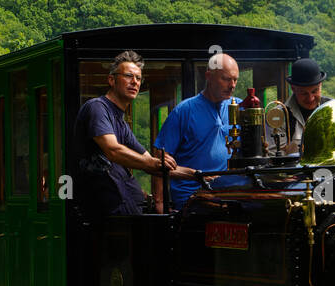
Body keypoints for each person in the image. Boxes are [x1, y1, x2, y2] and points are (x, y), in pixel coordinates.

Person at [74, 50, 177, 216]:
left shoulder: (121, 123)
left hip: (123, 211)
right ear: (111, 80)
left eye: (138, 78)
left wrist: (195, 175)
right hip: (101, 212)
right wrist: (153, 164)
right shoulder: (97, 108)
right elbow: (113, 150)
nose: (135, 82)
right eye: (129, 76)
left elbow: (150, 161)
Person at [153, 52, 240, 209]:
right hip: (192, 199)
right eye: (226, 79)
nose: (232, 85)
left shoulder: (239, 107)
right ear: (209, 76)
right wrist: (159, 204)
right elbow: (159, 161)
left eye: (235, 80)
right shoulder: (184, 111)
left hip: (228, 196)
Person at [267, 57, 325, 156]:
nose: (310, 98)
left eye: (314, 91)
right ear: (293, 88)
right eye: (304, 93)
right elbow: (275, 158)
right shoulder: (278, 116)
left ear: (321, 85)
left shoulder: (333, 109)